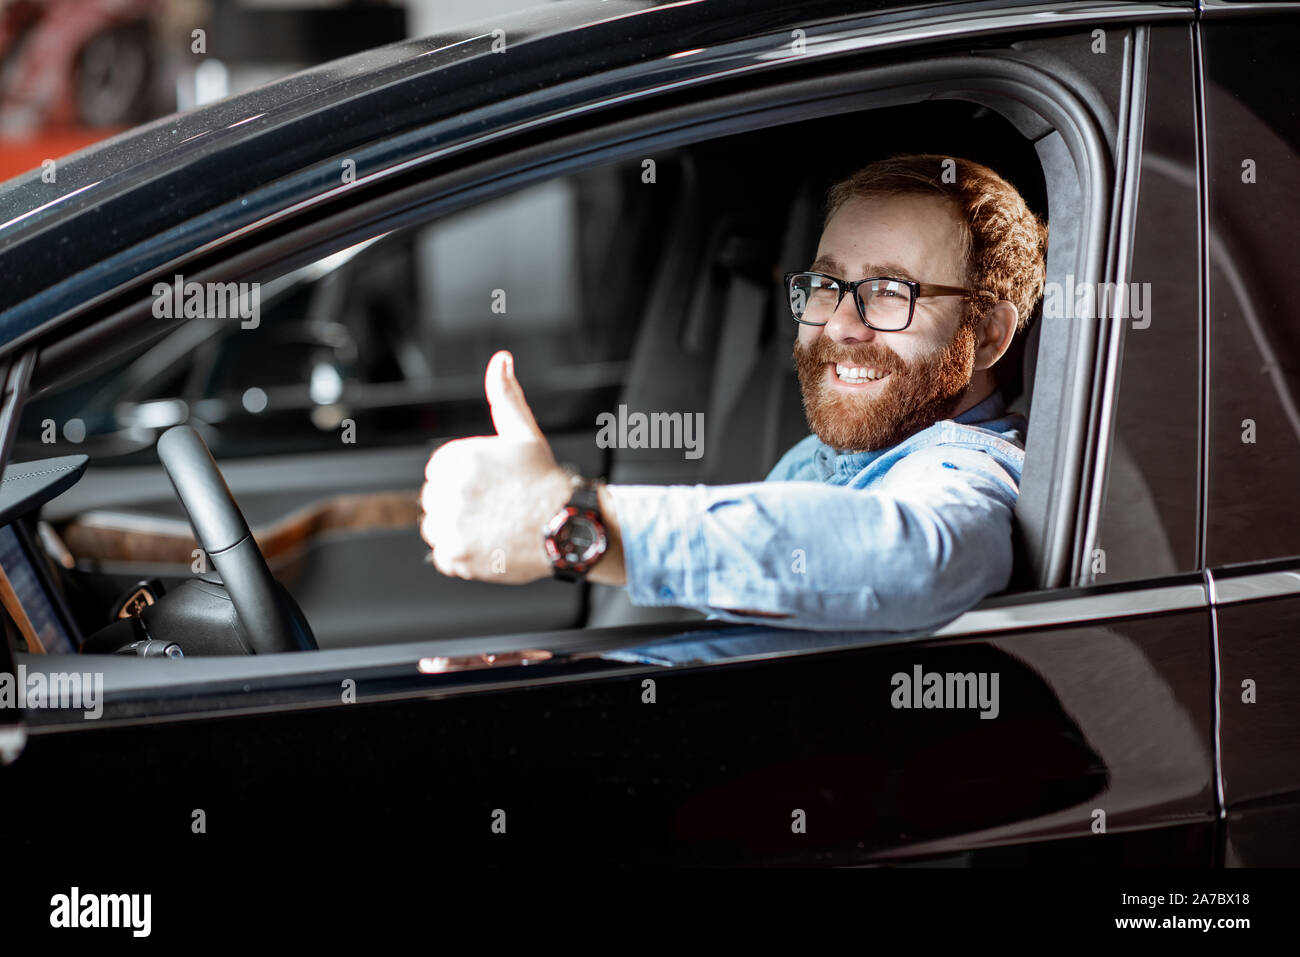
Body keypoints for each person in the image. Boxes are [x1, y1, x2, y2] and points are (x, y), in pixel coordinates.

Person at [418, 153, 1048, 652]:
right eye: (827, 285)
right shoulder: (826, 460)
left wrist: (573, 522)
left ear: (987, 334)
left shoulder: (970, 465)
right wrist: (559, 681)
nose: (840, 324)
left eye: (888, 291)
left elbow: (920, 557)